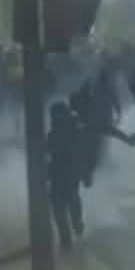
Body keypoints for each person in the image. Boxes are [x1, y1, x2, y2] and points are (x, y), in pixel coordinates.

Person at [46, 102, 86, 253]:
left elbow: (51, 152)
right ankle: (74, 229)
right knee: (70, 203)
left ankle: (68, 236)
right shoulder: (74, 131)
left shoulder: (60, 133)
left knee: (61, 207)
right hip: (67, 175)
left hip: (63, 175)